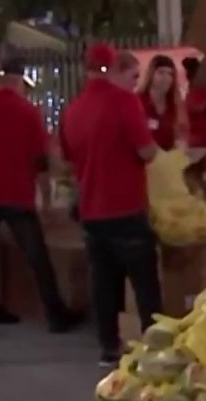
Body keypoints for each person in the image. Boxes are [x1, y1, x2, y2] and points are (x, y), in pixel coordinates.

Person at [0, 58, 80, 340]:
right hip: (18, 195)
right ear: (19, 81)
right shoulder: (28, 111)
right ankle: (55, 315)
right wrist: (45, 197)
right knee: (37, 257)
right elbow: (41, 160)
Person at [60, 44, 163, 367]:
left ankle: (108, 347)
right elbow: (147, 152)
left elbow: (64, 160)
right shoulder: (124, 103)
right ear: (113, 68)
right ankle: (155, 346)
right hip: (126, 206)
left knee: (103, 281)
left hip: (91, 209)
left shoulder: (72, 110)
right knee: (144, 281)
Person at [137, 54, 184, 150]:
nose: (166, 78)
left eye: (170, 74)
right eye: (161, 72)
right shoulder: (137, 101)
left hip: (169, 159)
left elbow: (182, 133)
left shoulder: (176, 103)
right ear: (151, 74)